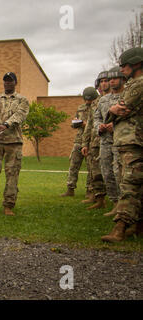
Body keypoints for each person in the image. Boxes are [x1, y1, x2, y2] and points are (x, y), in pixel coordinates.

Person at [101, 47, 143, 242]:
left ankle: (120, 227)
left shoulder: (138, 84)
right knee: (134, 183)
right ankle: (136, 225)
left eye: (124, 65)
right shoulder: (133, 85)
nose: (121, 69)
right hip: (129, 141)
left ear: (135, 64)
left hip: (133, 141)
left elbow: (122, 109)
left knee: (129, 183)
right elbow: (115, 112)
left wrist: (112, 109)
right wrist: (113, 110)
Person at [0, 72, 29, 216]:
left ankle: (8, 206)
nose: (7, 83)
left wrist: (6, 124)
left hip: (13, 142)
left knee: (12, 175)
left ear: (15, 82)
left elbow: (20, 115)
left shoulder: (22, 100)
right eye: (5, 81)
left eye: (10, 81)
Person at [94, 66, 126, 216]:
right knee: (107, 172)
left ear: (122, 79)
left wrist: (116, 125)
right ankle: (115, 202)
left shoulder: (128, 96)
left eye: (114, 78)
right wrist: (99, 127)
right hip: (105, 141)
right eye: (109, 79)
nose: (111, 82)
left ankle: (124, 205)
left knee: (120, 172)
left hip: (122, 141)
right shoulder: (103, 100)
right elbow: (96, 118)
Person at [60, 85, 98, 197]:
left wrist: (85, 124)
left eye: (90, 99)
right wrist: (75, 123)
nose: (88, 101)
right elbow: (74, 123)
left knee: (91, 166)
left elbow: (96, 124)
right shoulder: (80, 108)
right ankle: (70, 188)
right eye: (86, 99)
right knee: (73, 164)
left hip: (92, 140)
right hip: (79, 140)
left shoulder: (97, 108)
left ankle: (89, 190)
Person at [81, 84, 107, 209]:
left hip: (105, 141)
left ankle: (114, 202)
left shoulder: (104, 101)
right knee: (93, 171)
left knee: (106, 172)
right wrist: (85, 143)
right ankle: (97, 197)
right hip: (93, 143)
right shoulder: (92, 106)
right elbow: (89, 126)